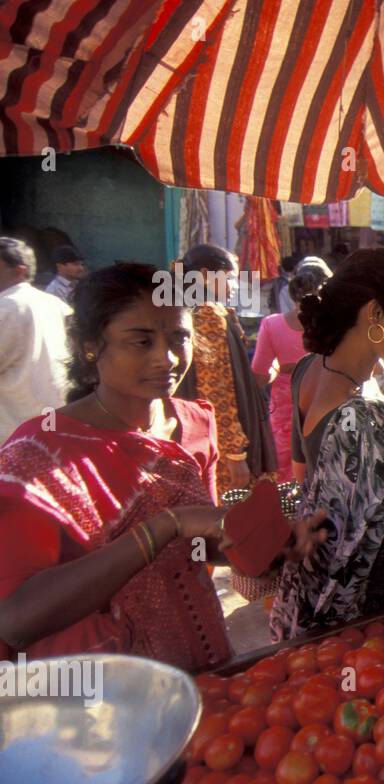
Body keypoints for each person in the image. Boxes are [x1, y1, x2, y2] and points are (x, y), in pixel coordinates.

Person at [0, 264, 325, 670]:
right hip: (104, 690)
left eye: (179, 338)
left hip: (201, 659)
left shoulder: (194, 423)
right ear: (89, 346)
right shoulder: (38, 453)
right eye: (141, 341)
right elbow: (15, 620)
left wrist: (268, 543)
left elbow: (195, 549)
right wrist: (167, 524)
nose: (167, 357)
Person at [271, 249, 384, 638]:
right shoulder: (364, 418)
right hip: (367, 616)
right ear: (375, 314)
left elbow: (302, 471)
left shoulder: (310, 369)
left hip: (310, 599)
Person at [172, 244, 276, 494]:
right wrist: (235, 453)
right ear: (206, 275)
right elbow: (215, 389)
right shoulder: (206, 313)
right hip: (223, 444)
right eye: (230, 278)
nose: (235, 286)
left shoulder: (190, 305)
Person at [253, 257, 329, 481]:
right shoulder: (338, 325)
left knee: (287, 476)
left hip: (285, 413)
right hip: (327, 408)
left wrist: (280, 367)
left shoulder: (271, 324)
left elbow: (258, 378)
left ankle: (292, 514)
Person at [0, 237, 71, 443]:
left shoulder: (8, 307)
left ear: (20, 270)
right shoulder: (54, 303)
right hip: (54, 418)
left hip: (14, 424)